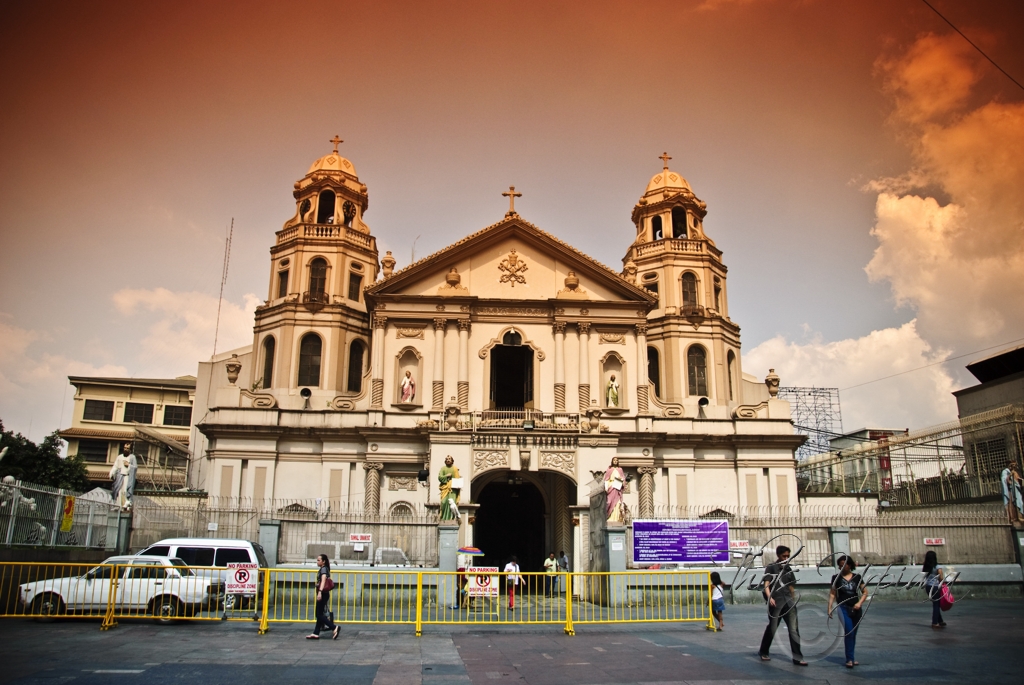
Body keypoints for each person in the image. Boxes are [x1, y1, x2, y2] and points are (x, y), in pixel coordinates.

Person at [758, 545, 806, 666]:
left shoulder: (788, 569)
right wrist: (770, 598)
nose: (786, 558)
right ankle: (764, 651)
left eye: (788, 556)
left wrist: (793, 599)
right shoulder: (771, 567)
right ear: (778, 555)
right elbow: (766, 584)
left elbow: (791, 587)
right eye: (784, 556)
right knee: (772, 628)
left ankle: (797, 657)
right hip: (776, 603)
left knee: (794, 630)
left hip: (788, 603)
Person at [827, 554, 867, 669]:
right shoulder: (836, 578)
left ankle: (851, 657)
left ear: (849, 565)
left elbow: (865, 592)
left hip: (856, 608)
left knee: (853, 634)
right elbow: (832, 593)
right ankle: (849, 659)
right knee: (849, 631)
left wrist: (859, 603)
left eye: (843, 565)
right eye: (839, 566)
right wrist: (829, 608)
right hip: (842, 607)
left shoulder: (857, 577)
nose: (841, 568)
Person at [307, 553, 339, 640]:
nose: (317, 561)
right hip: (324, 593)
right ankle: (316, 633)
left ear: (323, 561)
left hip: (323, 593)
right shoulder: (323, 568)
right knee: (320, 614)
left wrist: (320, 592)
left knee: (318, 614)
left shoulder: (324, 569)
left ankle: (333, 627)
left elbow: (323, 580)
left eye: (319, 560)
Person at [109, 443, 138, 511]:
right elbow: (115, 466)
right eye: (125, 448)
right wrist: (111, 473)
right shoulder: (119, 457)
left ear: (130, 450)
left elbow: (135, 468)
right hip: (119, 477)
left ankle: (125, 506)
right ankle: (118, 506)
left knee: (125, 491)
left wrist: (129, 465)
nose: (125, 449)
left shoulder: (132, 457)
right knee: (118, 491)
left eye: (127, 448)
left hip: (127, 477)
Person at [922, 550, 945, 629]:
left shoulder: (925, 567)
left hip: (928, 587)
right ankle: (934, 622)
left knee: (935, 603)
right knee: (936, 605)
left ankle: (940, 621)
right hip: (935, 587)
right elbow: (941, 577)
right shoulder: (937, 567)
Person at [603, 457, 626, 523]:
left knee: (617, 503)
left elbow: (623, 478)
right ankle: (608, 516)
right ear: (612, 461)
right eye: (614, 460)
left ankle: (615, 518)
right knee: (609, 502)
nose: (615, 461)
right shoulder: (609, 469)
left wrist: (621, 480)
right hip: (611, 486)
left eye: (616, 460)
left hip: (617, 486)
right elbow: (606, 479)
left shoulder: (620, 469)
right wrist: (606, 487)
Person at [438, 456, 461, 521]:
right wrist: (446, 476)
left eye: (449, 459)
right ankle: (443, 518)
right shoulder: (443, 468)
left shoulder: (455, 468)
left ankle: (452, 518)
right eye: (447, 459)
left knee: (452, 503)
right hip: (445, 488)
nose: (448, 460)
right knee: (443, 502)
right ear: (445, 461)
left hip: (453, 489)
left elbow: (457, 479)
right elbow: (440, 477)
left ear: (452, 461)